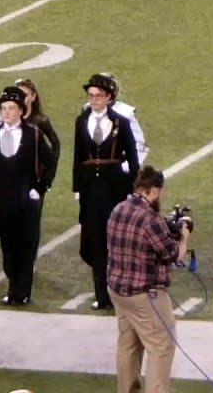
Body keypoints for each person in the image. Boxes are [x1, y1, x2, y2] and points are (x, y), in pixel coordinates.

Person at [107, 165, 190, 393]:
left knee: (128, 344)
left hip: (117, 290)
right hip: (145, 294)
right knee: (161, 346)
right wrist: (184, 237)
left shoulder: (118, 209)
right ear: (153, 190)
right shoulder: (150, 219)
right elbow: (173, 255)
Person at [0, 86, 58, 305]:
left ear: (20, 111)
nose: (6, 112)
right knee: (8, 246)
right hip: (3, 197)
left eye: (11, 108)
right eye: (3, 108)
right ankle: (12, 285)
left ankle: (22, 291)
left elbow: (50, 160)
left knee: (25, 245)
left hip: (25, 198)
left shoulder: (33, 134)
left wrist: (41, 187)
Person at [76, 74, 140, 311]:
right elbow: (79, 156)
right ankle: (101, 294)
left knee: (117, 240)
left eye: (98, 96)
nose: (94, 100)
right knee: (95, 241)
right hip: (91, 189)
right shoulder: (81, 121)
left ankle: (121, 290)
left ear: (108, 97)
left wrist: (134, 186)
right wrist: (77, 188)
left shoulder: (120, 122)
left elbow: (133, 156)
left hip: (115, 186)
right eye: (91, 96)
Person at [18, 78, 62, 160]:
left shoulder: (40, 120)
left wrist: (52, 166)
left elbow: (55, 143)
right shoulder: (11, 120)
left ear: (33, 97)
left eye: (25, 95)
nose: (22, 98)